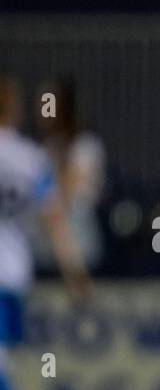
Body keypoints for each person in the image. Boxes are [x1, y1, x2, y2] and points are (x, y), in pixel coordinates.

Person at [0, 76, 91, 390]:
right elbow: (54, 219)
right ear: (13, 109)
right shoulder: (31, 158)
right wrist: (74, 272)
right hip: (12, 267)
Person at [32, 80, 106, 274]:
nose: (43, 109)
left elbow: (68, 189)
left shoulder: (86, 145)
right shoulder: (44, 148)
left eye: (48, 102)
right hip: (45, 242)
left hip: (79, 238)